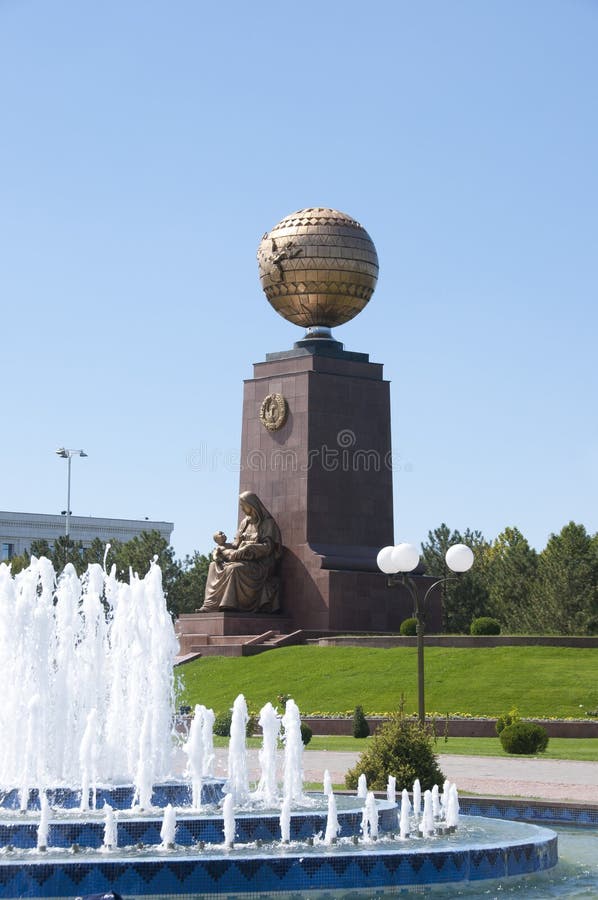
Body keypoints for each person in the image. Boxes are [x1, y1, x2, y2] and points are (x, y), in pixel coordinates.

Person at [199, 492, 282, 613]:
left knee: (233, 569)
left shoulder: (267, 523)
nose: (242, 508)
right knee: (213, 566)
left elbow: (268, 547)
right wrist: (221, 545)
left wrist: (249, 549)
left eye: (243, 505)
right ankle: (210, 605)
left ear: (251, 505)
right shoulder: (245, 523)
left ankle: (229, 605)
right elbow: (235, 544)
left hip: (261, 564)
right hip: (241, 559)